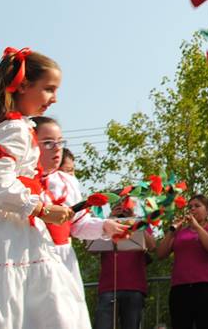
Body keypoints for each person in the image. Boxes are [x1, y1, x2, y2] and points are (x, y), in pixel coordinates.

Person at [0, 47, 91, 326]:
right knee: (20, 305)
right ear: (23, 85)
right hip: (6, 233)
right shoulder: (14, 129)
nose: (54, 98)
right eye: (48, 89)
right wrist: (43, 209)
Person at [33, 116, 128, 290]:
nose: (57, 149)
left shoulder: (66, 182)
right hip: (27, 261)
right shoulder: (16, 183)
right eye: (48, 143)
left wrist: (105, 225)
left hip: (61, 260)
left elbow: (77, 225)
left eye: (60, 142)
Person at [156, 194, 208, 329]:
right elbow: (160, 254)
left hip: (205, 286)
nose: (193, 209)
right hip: (180, 288)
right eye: (190, 207)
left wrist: (197, 227)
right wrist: (172, 231)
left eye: (197, 206)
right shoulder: (181, 232)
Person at [95, 201, 156, 329]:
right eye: (118, 207)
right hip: (108, 287)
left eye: (126, 207)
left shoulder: (140, 223)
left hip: (134, 287)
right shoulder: (105, 224)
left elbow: (152, 246)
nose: (122, 210)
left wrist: (134, 221)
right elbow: (93, 250)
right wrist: (110, 219)